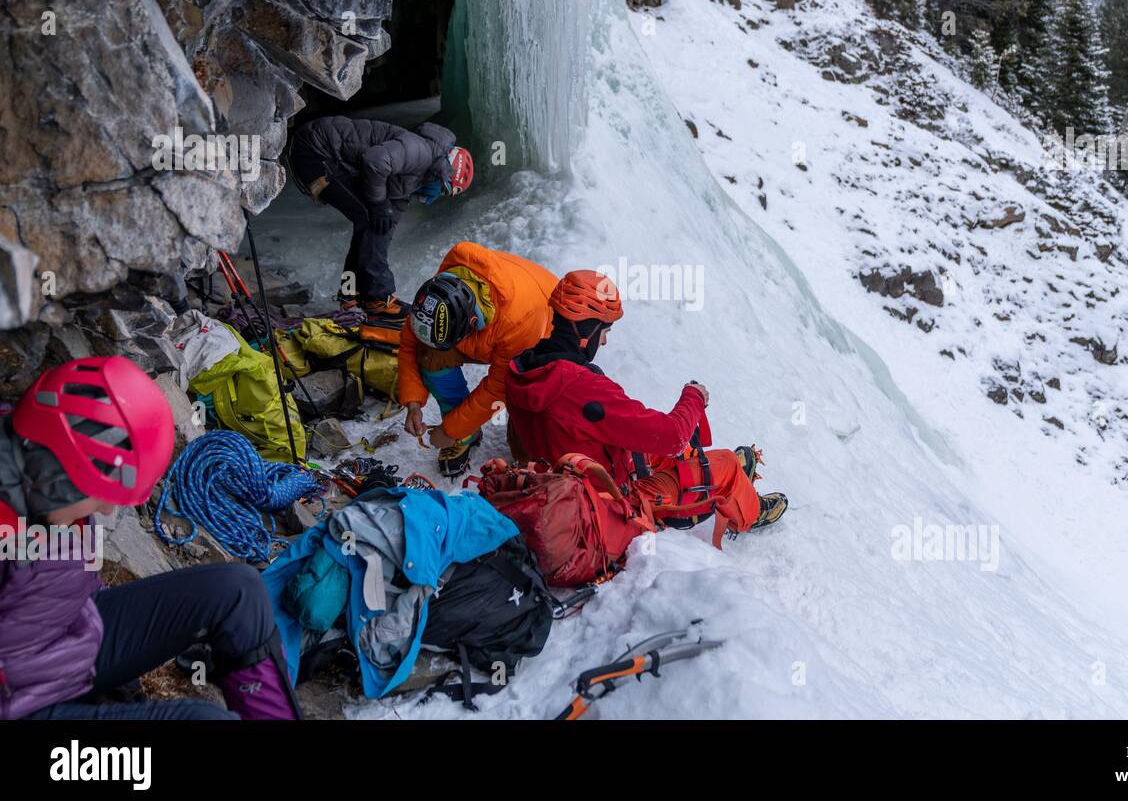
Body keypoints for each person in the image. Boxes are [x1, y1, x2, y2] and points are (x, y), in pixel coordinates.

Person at [0, 356, 300, 720]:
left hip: (62, 648)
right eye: (100, 493)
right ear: (61, 473)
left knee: (237, 591)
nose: (107, 511)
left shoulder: (44, 490)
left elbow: (63, 593)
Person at [504, 270, 787, 547]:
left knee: (666, 450)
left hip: (571, 480)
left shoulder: (523, 369)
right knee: (723, 462)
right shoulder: (580, 387)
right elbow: (671, 435)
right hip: (609, 508)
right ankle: (749, 510)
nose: (603, 341)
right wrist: (694, 397)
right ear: (586, 330)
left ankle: (722, 476)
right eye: (604, 331)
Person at [399, 242, 559, 477]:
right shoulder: (436, 297)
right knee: (428, 351)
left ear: (471, 325)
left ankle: (464, 428)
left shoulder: (521, 319)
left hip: (541, 338)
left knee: (526, 455)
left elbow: (499, 388)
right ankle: (466, 433)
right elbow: (409, 345)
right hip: (493, 322)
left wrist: (450, 429)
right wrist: (412, 402)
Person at [289, 116, 474, 317]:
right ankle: (377, 298)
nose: (438, 195)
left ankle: (351, 294)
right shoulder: (420, 151)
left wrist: (380, 216)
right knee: (368, 216)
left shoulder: (412, 185)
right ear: (443, 172)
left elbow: (381, 234)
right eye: (444, 189)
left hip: (327, 159)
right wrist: (378, 204)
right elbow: (375, 160)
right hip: (313, 151)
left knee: (372, 228)